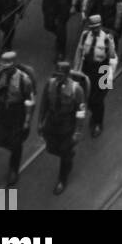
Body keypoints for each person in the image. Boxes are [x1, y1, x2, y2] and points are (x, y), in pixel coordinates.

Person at [0, 51, 36, 185]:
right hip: (2, 108)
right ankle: (13, 147)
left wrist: (27, 120)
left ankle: (13, 169)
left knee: (16, 142)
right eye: (3, 65)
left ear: (14, 64)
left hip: (17, 111)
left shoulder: (24, 80)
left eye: (7, 65)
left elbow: (30, 101)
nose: (5, 68)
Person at [38, 60, 87, 195]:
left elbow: (81, 112)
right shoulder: (50, 84)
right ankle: (67, 154)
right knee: (52, 148)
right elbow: (44, 104)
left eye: (60, 75)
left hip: (67, 124)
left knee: (65, 153)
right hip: (52, 122)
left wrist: (77, 132)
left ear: (67, 74)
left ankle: (62, 179)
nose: (57, 77)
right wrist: (40, 122)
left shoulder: (76, 90)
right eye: (56, 74)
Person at [73, 13, 118, 138]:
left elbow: (112, 57)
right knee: (86, 96)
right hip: (87, 68)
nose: (95, 30)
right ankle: (94, 113)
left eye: (97, 27)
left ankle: (98, 123)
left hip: (102, 68)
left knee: (99, 98)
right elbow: (79, 51)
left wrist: (109, 78)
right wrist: (76, 69)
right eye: (93, 27)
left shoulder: (107, 38)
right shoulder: (85, 35)